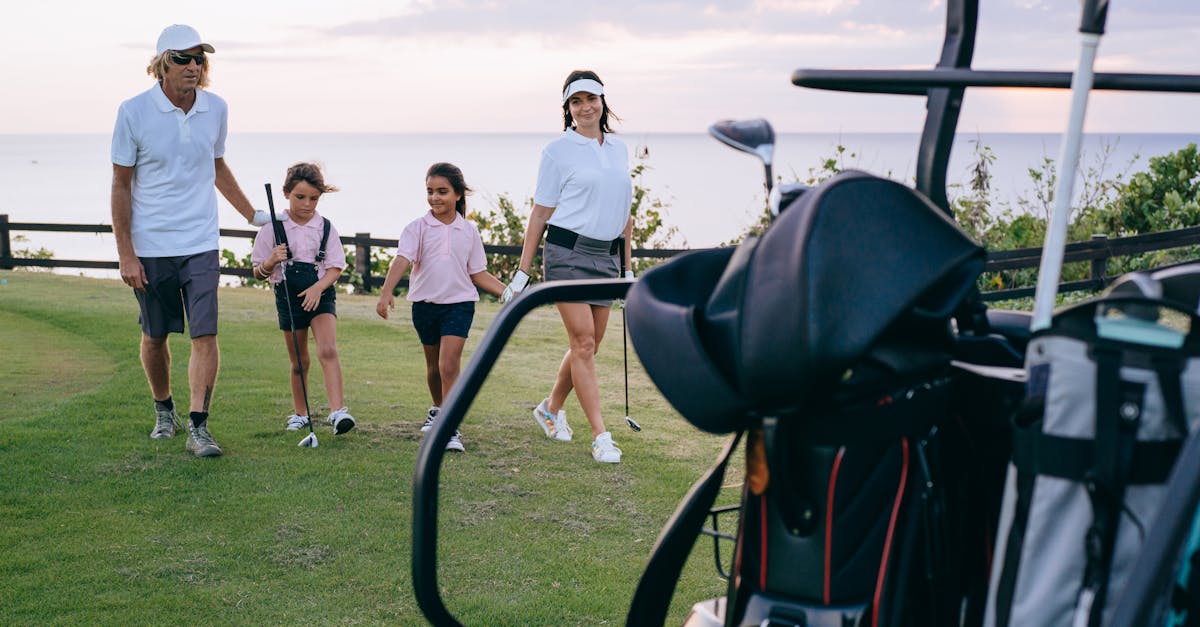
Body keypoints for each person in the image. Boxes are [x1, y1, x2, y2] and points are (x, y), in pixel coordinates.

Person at [111, 24, 271, 457]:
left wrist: (253, 215)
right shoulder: (133, 112)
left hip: (201, 241)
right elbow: (121, 185)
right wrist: (126, 253)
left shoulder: (216, 108)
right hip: (151, 246)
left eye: (200, 58)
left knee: (205, 333)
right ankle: (165, 410)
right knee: (155, 336)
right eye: (184, 58)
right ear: (163, 64)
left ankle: (199, 427)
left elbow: (216, 165)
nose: (194, 66)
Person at [503, 70, 634, 464]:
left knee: (589, 343)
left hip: (607, 258)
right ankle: (601, 436)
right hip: (566, 254)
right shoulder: (557, 152)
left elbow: (624, 213)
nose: (584, 107)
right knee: (583, 344)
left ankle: (549, 408)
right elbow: (541, 212)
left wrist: (627, 268)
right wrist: (523, 272)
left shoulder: (619, 149)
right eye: (575, 101)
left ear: (602, 102)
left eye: (590, 98)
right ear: (568, 108)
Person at [376, 162, 508, 452]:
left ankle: (450, 428)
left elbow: (478, 273)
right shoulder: (417, 228)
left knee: (449, 365)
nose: (435, 198)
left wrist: (507, 291)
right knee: (434, 368)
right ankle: (438, 409)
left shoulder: (468, 231)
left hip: (459, 305)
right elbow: (402, 259)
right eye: (430, 191)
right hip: (424, 306)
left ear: (458, 194)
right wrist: (386, 292)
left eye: (442, 192)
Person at [251, 163, 355, 435]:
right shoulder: (270, 230)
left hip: (321, 293)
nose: (307, 204)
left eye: (314, 198)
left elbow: (335, 267)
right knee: (299, 360)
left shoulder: (326, 228)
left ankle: (338, 412)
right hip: (288, 297)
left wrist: (317, 289)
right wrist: (272, 259)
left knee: (328, 350)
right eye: (300, 197)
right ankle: (301, 414)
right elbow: (258, 272)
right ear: (286, 193)